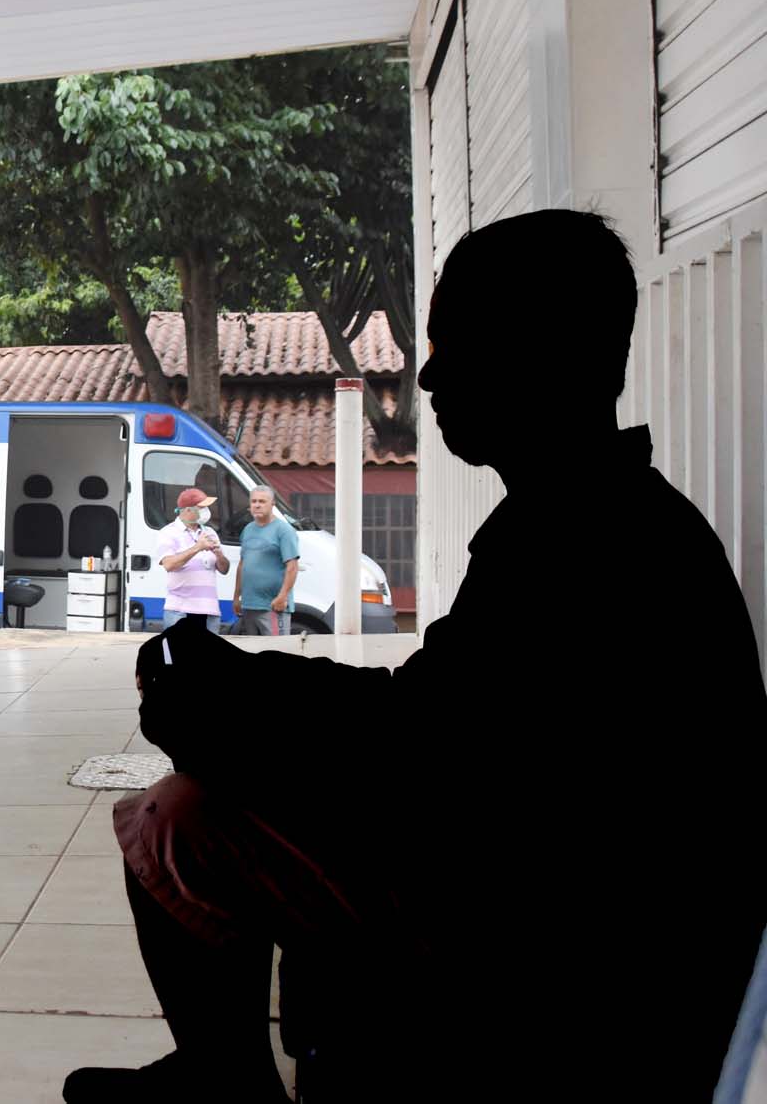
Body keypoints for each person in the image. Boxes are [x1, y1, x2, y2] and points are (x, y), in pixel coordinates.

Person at [65, 210, 767, 1103]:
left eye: (453, 340)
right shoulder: (602, 519)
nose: (429, 373)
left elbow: (415, 761)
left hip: (571, 960)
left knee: (178, 820)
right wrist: (250, 691)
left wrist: (236, 708)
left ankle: (225, 1086)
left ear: (538, 350)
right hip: (570, 909)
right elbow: (438, 718)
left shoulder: (582, 542)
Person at [156, 487, 227, 630]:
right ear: (188, 510)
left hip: (209, 612)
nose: (207, 511)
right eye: (202, 507)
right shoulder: (168, 533)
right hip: (180, 612)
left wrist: (219, 554)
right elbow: (169, 564)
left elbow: (224, 569)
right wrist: (197, 547)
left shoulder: (210, 532)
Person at [232, 486, 298, 636]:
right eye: (253, 501)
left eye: (262, 501)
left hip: (273, 606)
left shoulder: (284, 530)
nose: (257, 505)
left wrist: (282, 596)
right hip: (249, 605)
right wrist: (236, 596)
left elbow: (292, 567)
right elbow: (243, 565)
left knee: (276, 650)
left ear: (272, 504)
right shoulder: (248, 529)